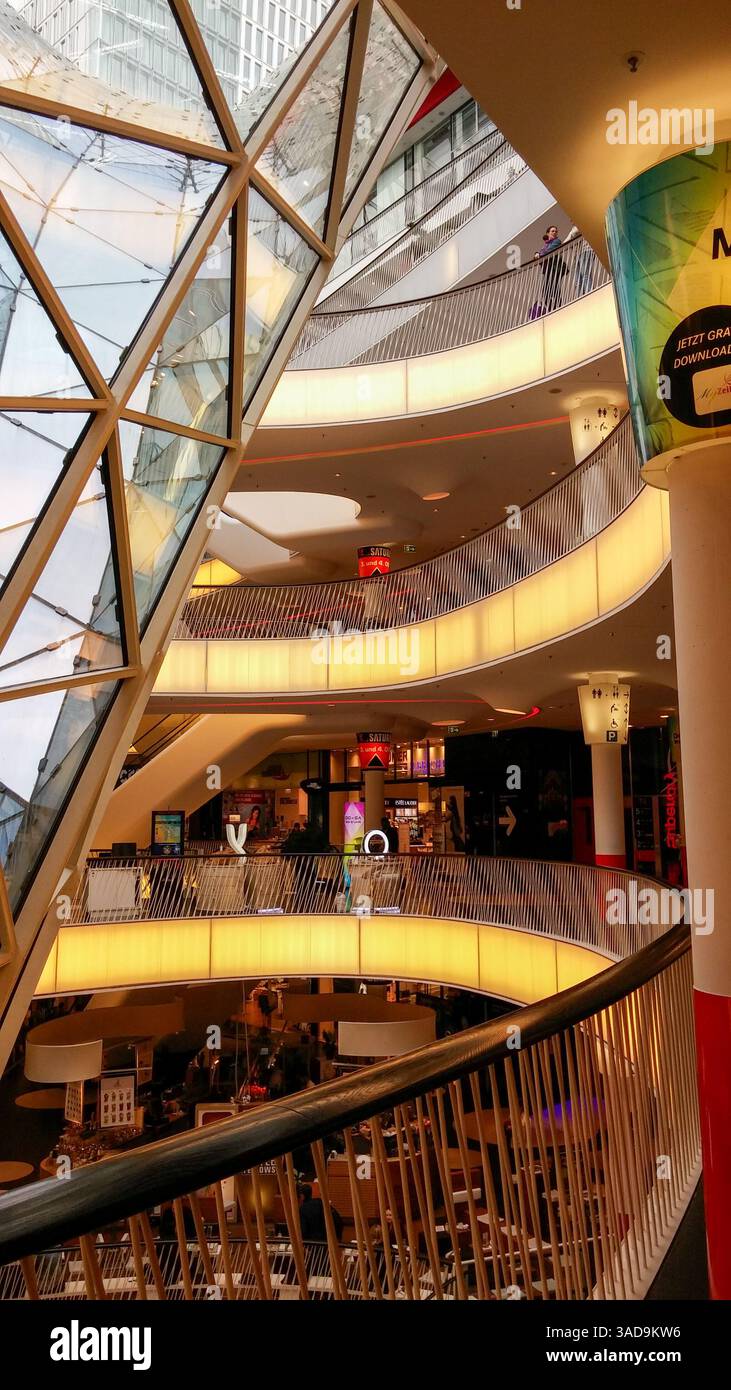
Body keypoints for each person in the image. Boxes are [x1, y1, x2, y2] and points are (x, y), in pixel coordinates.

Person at [534, 224, 567, 313]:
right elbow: (541, 252)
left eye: (556, 231)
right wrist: (537, 253)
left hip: (554, 269)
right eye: (552, 231)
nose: (555, 232)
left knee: (554, 288)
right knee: (546, 291)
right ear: (548, 233)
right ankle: (552, 308)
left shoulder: (557, 241)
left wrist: (539, 254)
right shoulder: (545, 245)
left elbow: (549, 251)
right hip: (548, 270)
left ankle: (558, 307)